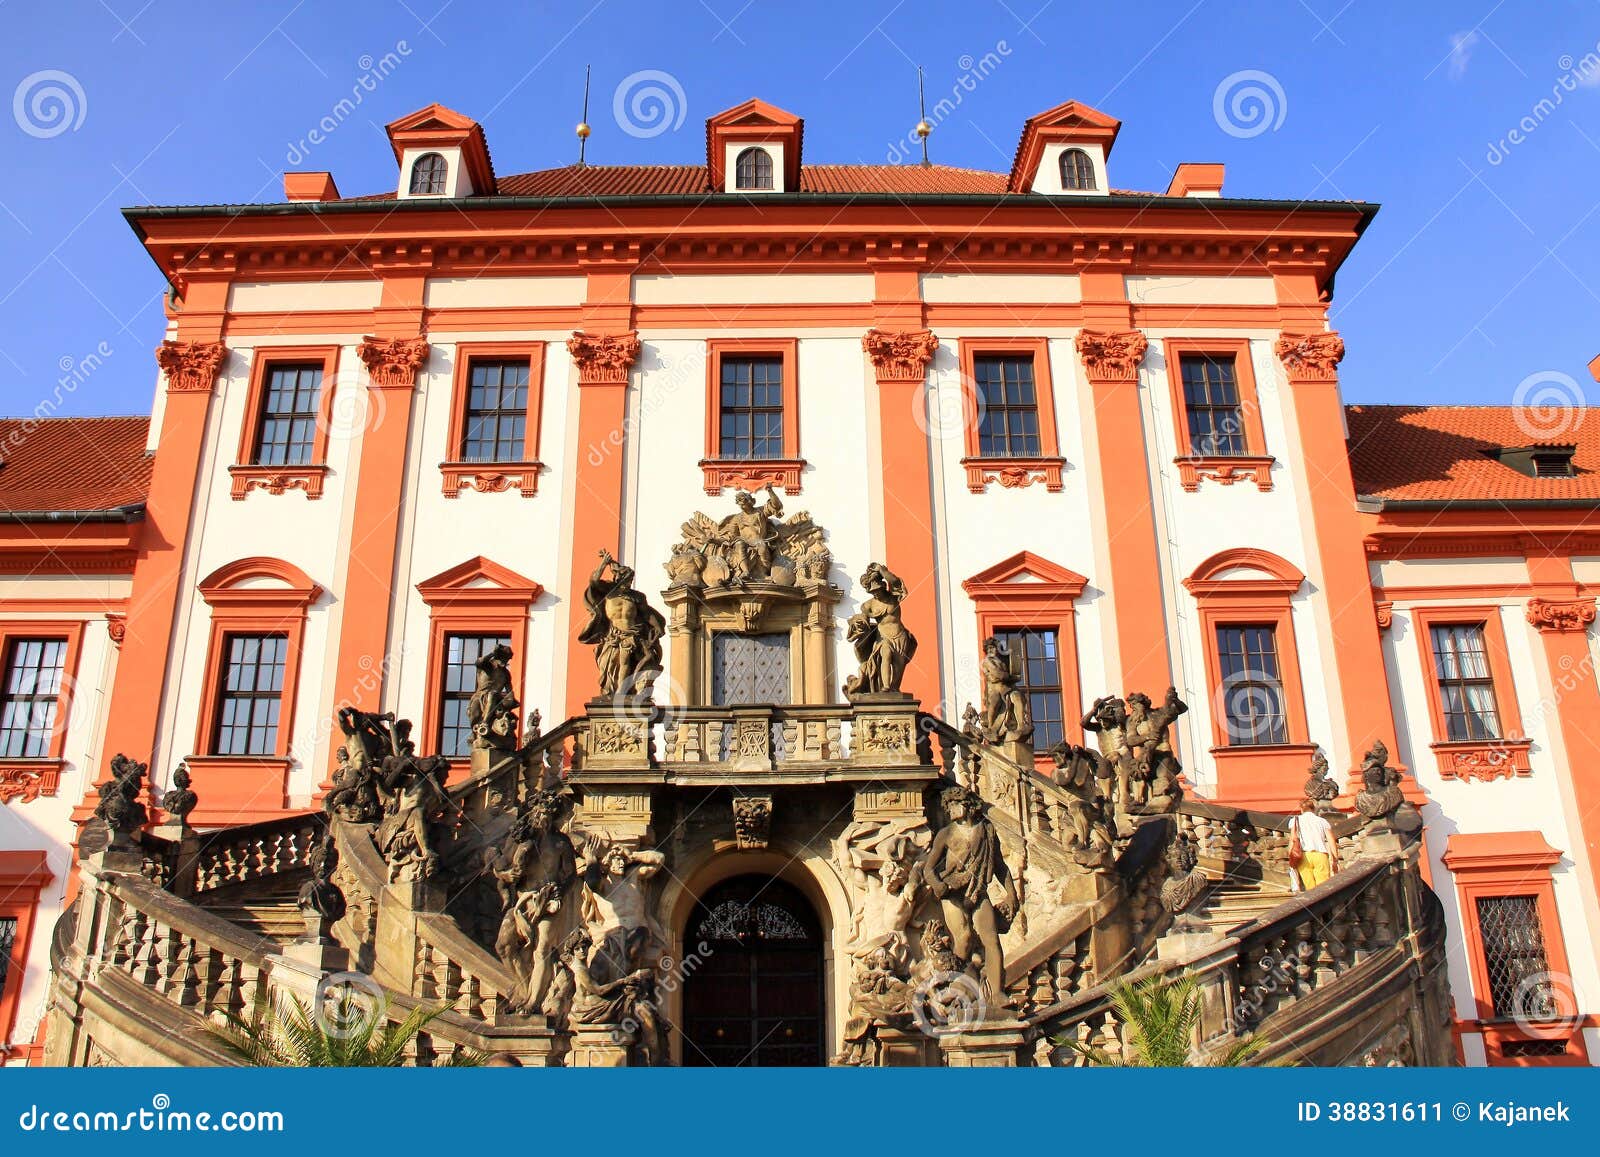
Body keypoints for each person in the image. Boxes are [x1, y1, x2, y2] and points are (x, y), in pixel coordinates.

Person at [1289, 797, 1338, 891]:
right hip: (1321, 854)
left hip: (1303, 856)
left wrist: (1291, 856)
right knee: (1323, 887)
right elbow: (1331, 840)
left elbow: (1293, 839)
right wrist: (1335, 859)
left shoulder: (1295, 820)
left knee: (1309, 888)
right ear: (1314, 809)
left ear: (1301, 809)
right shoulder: (1322, 821)